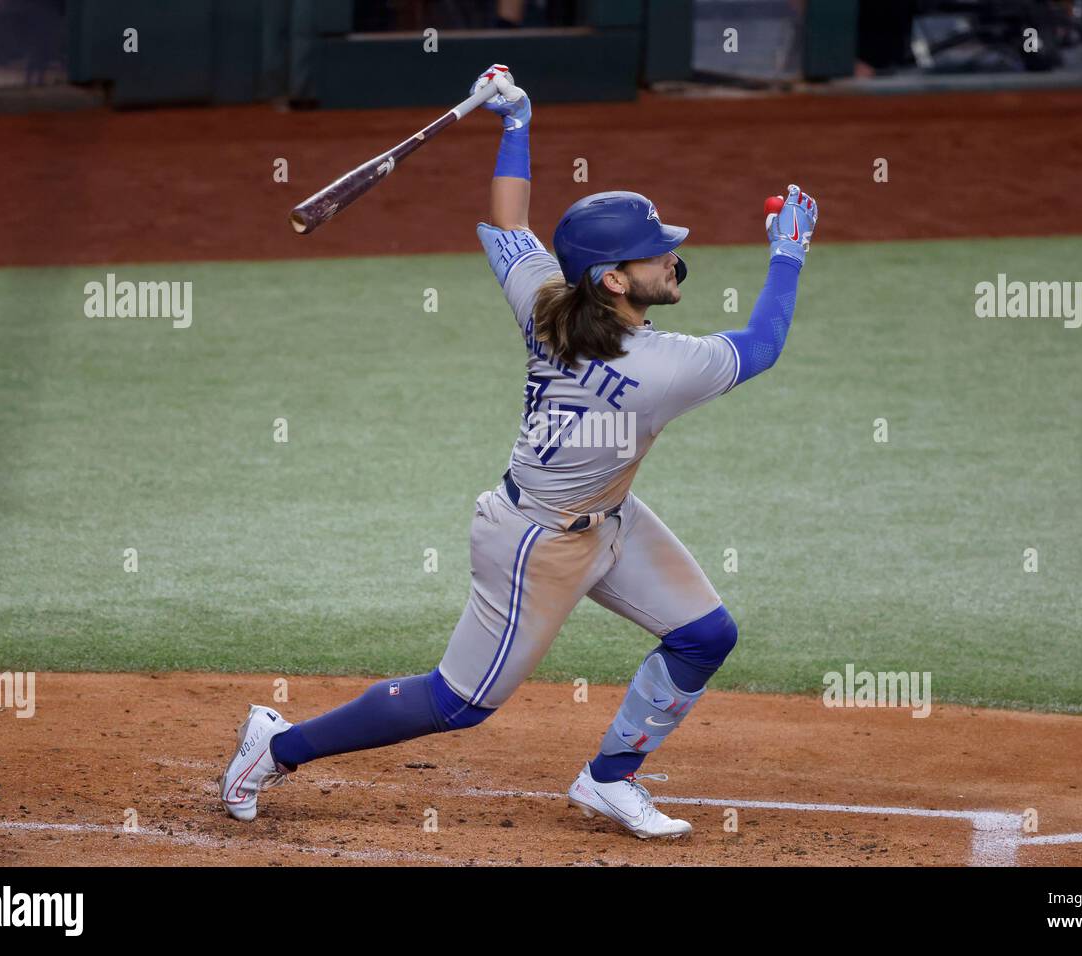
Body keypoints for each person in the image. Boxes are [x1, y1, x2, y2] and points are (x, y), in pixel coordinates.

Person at [219, 64, 817, 839]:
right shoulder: (665, 367)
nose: (674, 257)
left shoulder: (547, 303)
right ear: (612, 279)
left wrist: (515, 123)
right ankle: (276, 748)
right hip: (533, 544)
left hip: (609, 518)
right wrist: (790, 250)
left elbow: (509, 226)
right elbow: (763, 344)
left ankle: (610, 779)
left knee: (705, 634)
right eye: (655, 252)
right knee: (456, 703)